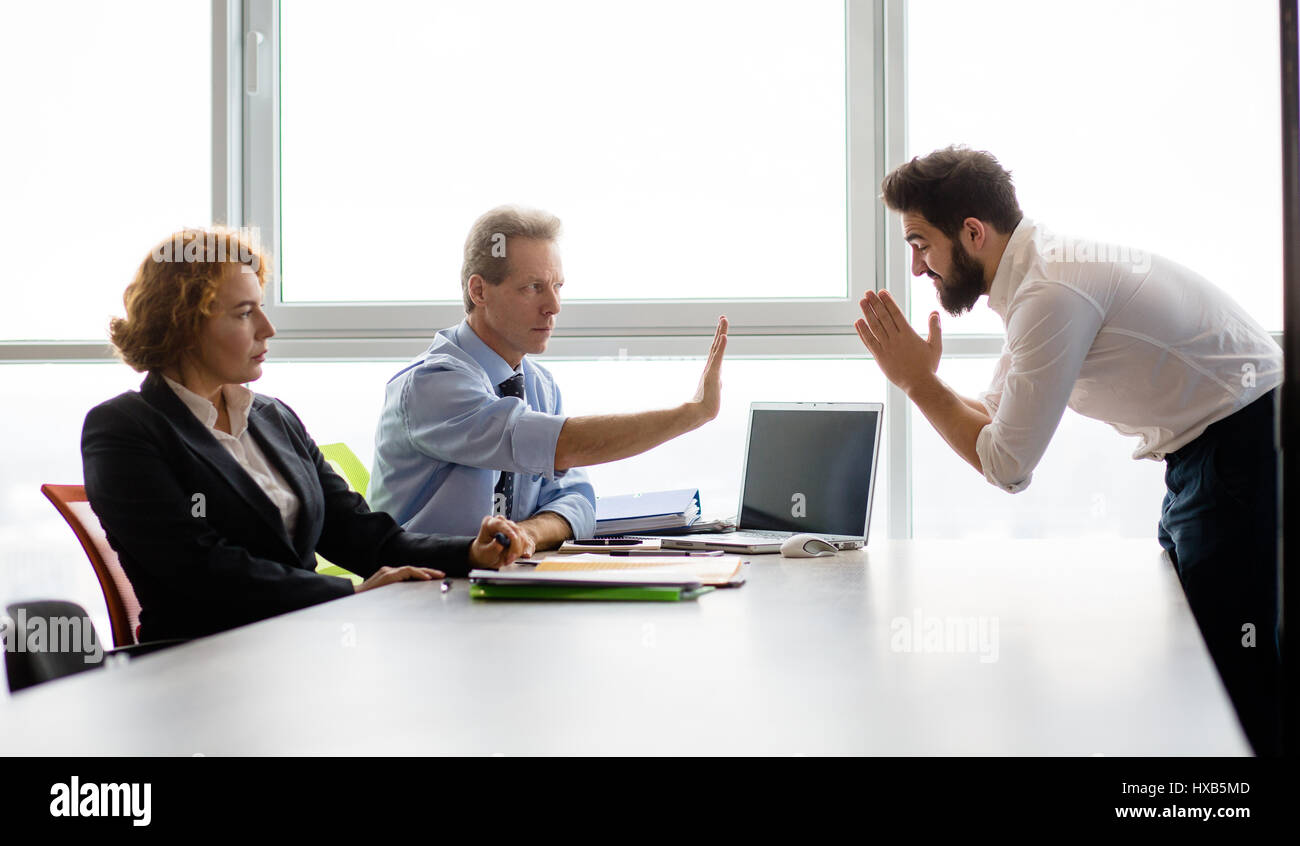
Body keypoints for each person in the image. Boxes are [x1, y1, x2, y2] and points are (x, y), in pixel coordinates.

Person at [856, 146, 1282, 755]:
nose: (919, 266)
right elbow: (996, 418)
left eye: (921, 243)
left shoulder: (1050, 291)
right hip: (1213, 454)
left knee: (1234, 679)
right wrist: (924, 381)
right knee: (1209, 666)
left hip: (1244, 449)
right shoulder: (1038, 276)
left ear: (972, 233)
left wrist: (917, 383)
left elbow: (1007, 464)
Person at [83, 228, 529, 642]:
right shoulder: (124, 428)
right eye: (244, 313)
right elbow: (199, 567)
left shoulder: (272, 417)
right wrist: (350, 595)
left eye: (262, 307)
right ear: (184, 324)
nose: (267, 328)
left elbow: (361, 534)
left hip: (300, 647)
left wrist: (470, 552)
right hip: (199, 664)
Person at [369, 205, 728, 549]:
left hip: (497, 587)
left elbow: (576, 499)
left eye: (557, 286)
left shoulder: (538, 385)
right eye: (532, 287)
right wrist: (691, 414)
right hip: (421, 590)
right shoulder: (432, 384)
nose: (553, 307)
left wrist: (527, 534)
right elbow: (562, 446)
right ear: (479, 291)